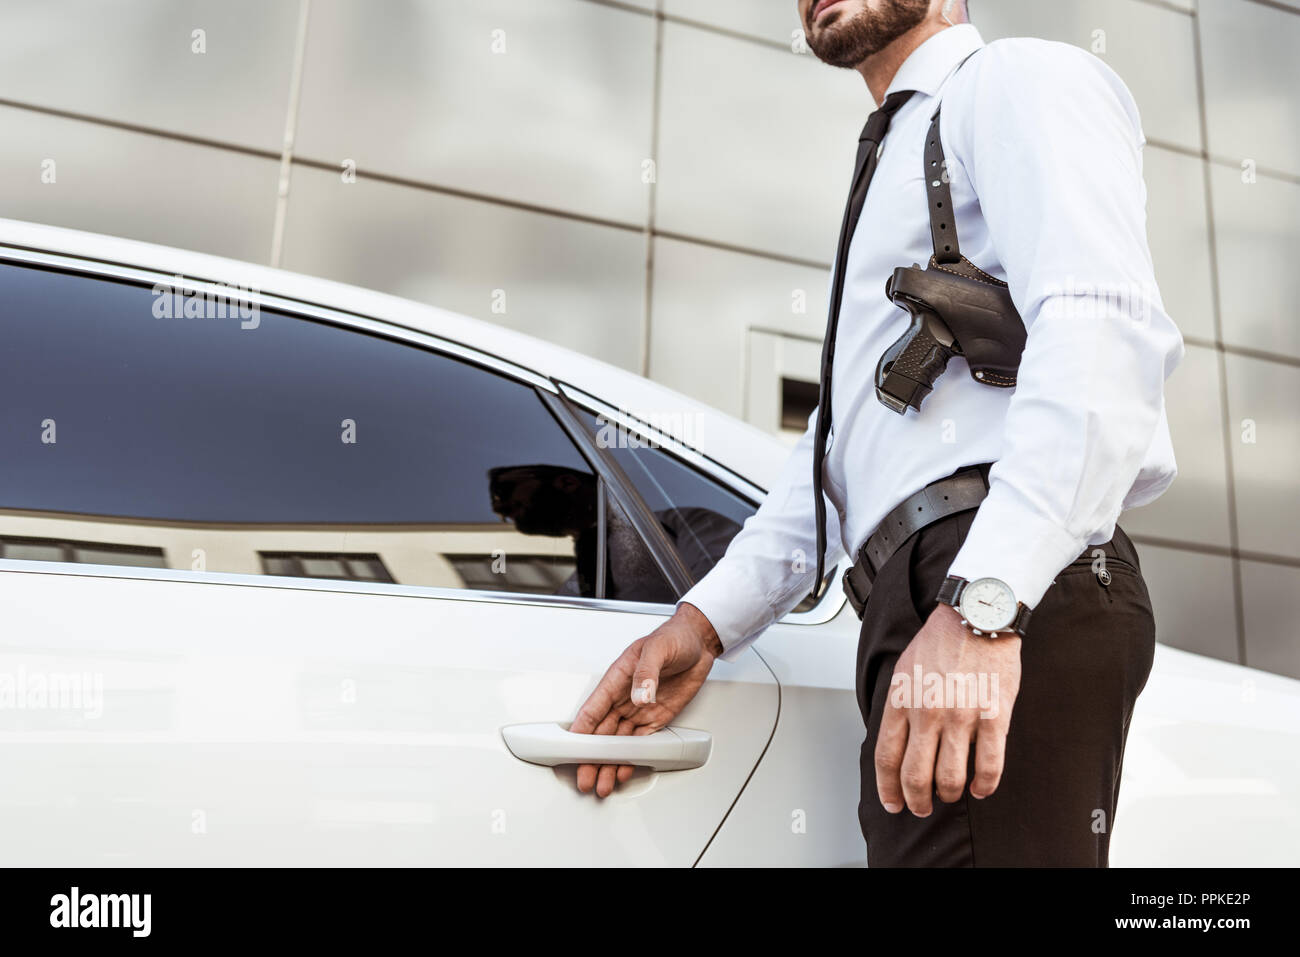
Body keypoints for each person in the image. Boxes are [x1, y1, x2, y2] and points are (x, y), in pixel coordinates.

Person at [570, 0, 1183, 867]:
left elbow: (1099, 329)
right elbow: (835, 456)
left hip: (991, 574)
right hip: (917, 590)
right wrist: (707, 621)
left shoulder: (1014, 80)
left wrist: (984, 606)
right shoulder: (895, 156)